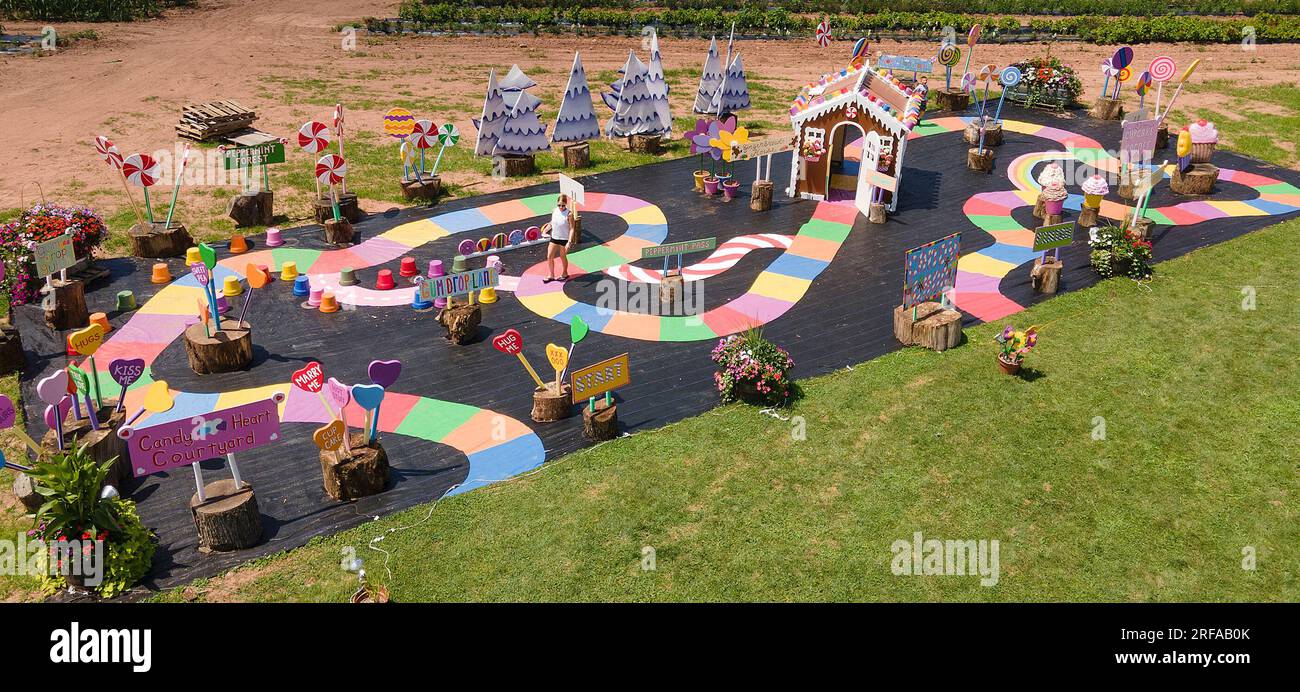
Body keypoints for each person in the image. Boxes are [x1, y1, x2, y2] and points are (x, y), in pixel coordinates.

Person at [543, 194, 571, 283]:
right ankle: (551, 275)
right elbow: (552, 222)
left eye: (563, 205)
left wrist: (569, 242)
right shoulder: (554, 211)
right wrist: (545, 231)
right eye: (559, 205)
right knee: (549, 256)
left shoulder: (569, 214)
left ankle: (565, 273)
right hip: (554, 237)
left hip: (564, 238)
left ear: (566, 204)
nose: (561, 207)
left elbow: (573, 228)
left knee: (562, 256)